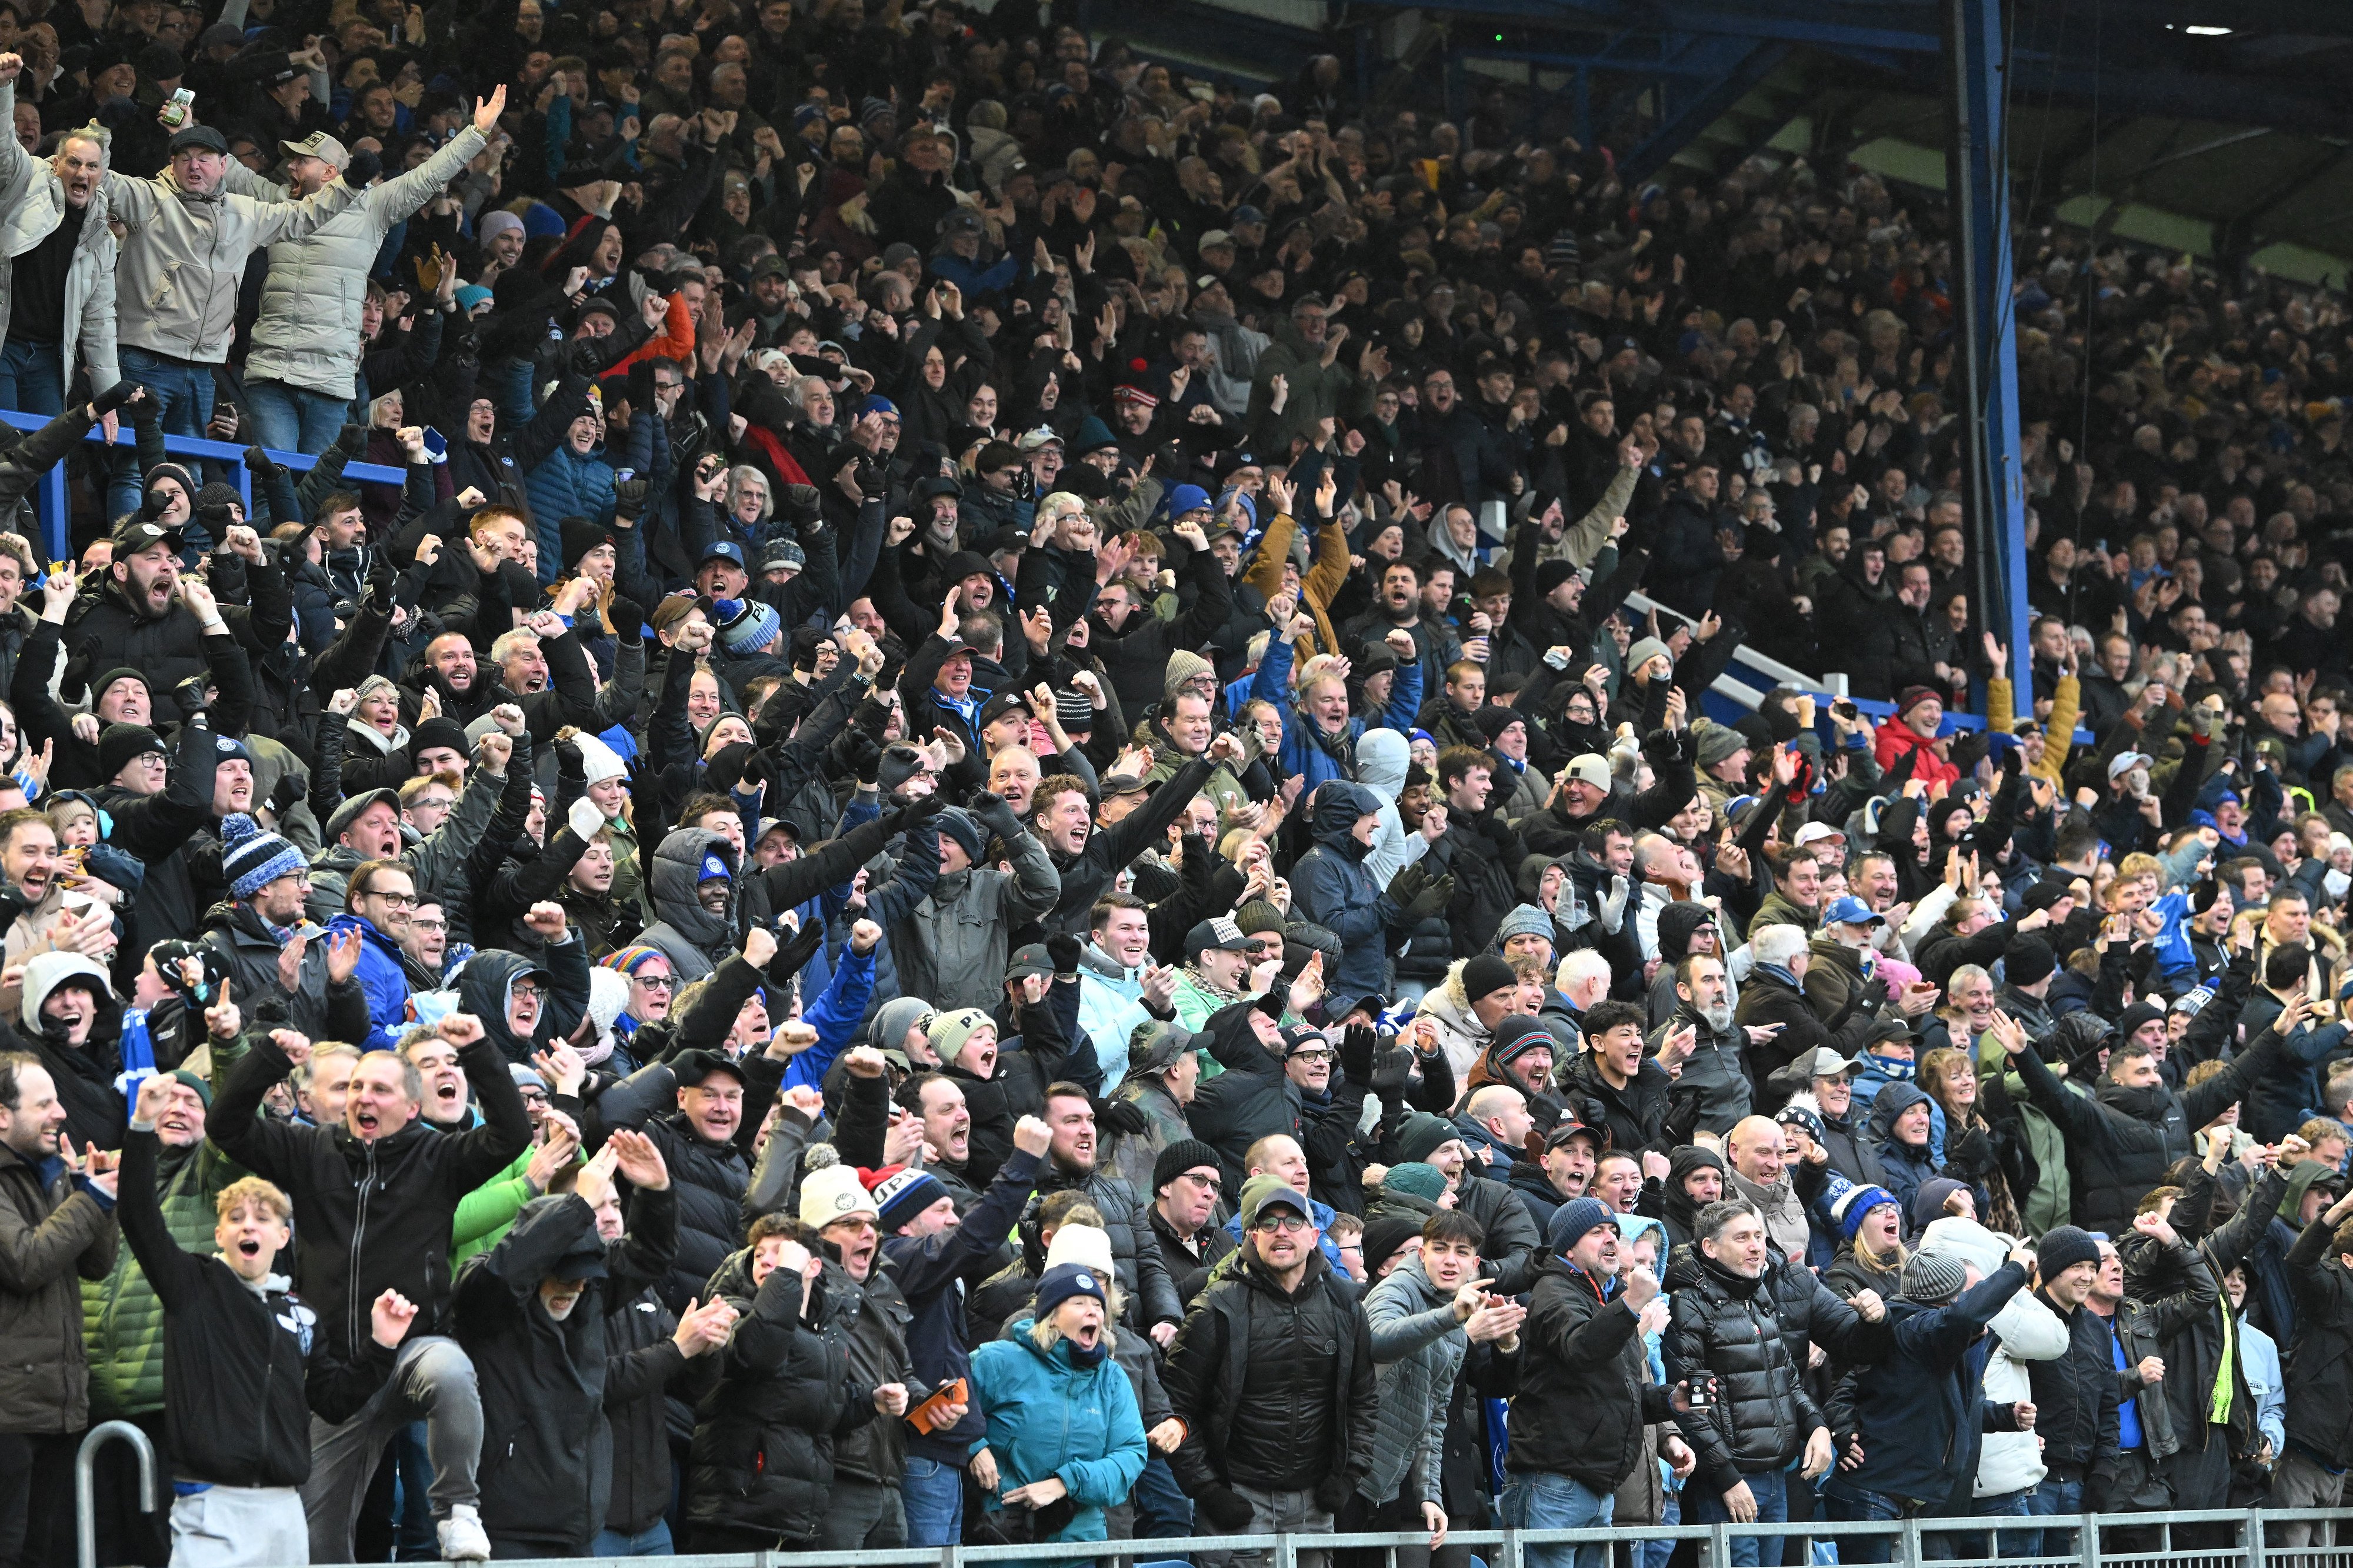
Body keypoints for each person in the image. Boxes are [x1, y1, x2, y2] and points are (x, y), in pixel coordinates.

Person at [205, 1015, 532, 1562]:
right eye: (356, 1086)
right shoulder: (309, 1153)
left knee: (452, 1372)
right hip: (339, 1375)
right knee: (316, 1543)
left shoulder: (439, 1159)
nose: (364, 1097)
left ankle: (458, 1512)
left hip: (413, 1350)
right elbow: (227, 1128)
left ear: (411, 1107)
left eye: (380, 1088)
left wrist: (477, 1049)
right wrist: (265, 1060)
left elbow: (512, 1135)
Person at [112, 1072, 412, 1568]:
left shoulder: (301, 1313)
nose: (248, 1224)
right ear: (221, 1234)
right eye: (236, 1218)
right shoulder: (192, 1285)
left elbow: (335, 1403)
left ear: (284, 1237)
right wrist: (142, 1124)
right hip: (211, 1504)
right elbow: (139, 1214)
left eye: (263, 1218)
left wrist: (381, 1346)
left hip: (284, 1506)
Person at [1161, 1173, 1378, 1568]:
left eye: (1293, 1222)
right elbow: (1176, 1410)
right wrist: (1209, 1492)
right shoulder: (1216, 1307)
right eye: (1269, 1222)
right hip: (1239, 1503)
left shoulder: (1346, 1307)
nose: (1282, 1232)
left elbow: (1363, 1401)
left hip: (1316, 1506)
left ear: (1314, 1236)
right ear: (1251, 1236)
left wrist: (1348, 1478)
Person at [0, 1050, 119, 1568]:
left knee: (46, 1554)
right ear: (2, 1115)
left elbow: (97, 1265)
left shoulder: (45, 1174)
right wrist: (88, 1199)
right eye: (44, 1103)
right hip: (9, 1416)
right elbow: (25, 1262)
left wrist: (83, 1189)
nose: (61, 1113)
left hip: (56, 1406)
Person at [965, 1256, 1150, 1550]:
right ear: (1051, 1316)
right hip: (1002, 1540)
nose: (1093, 1312)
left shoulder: (1111, 1378)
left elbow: (1130, 1455)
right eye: (1079, 1303)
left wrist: (1065, 1483)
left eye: (1098, 1305)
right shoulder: (997, 1360)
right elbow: (946, 1405)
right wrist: (974, 1445)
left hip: (1079, 1545)